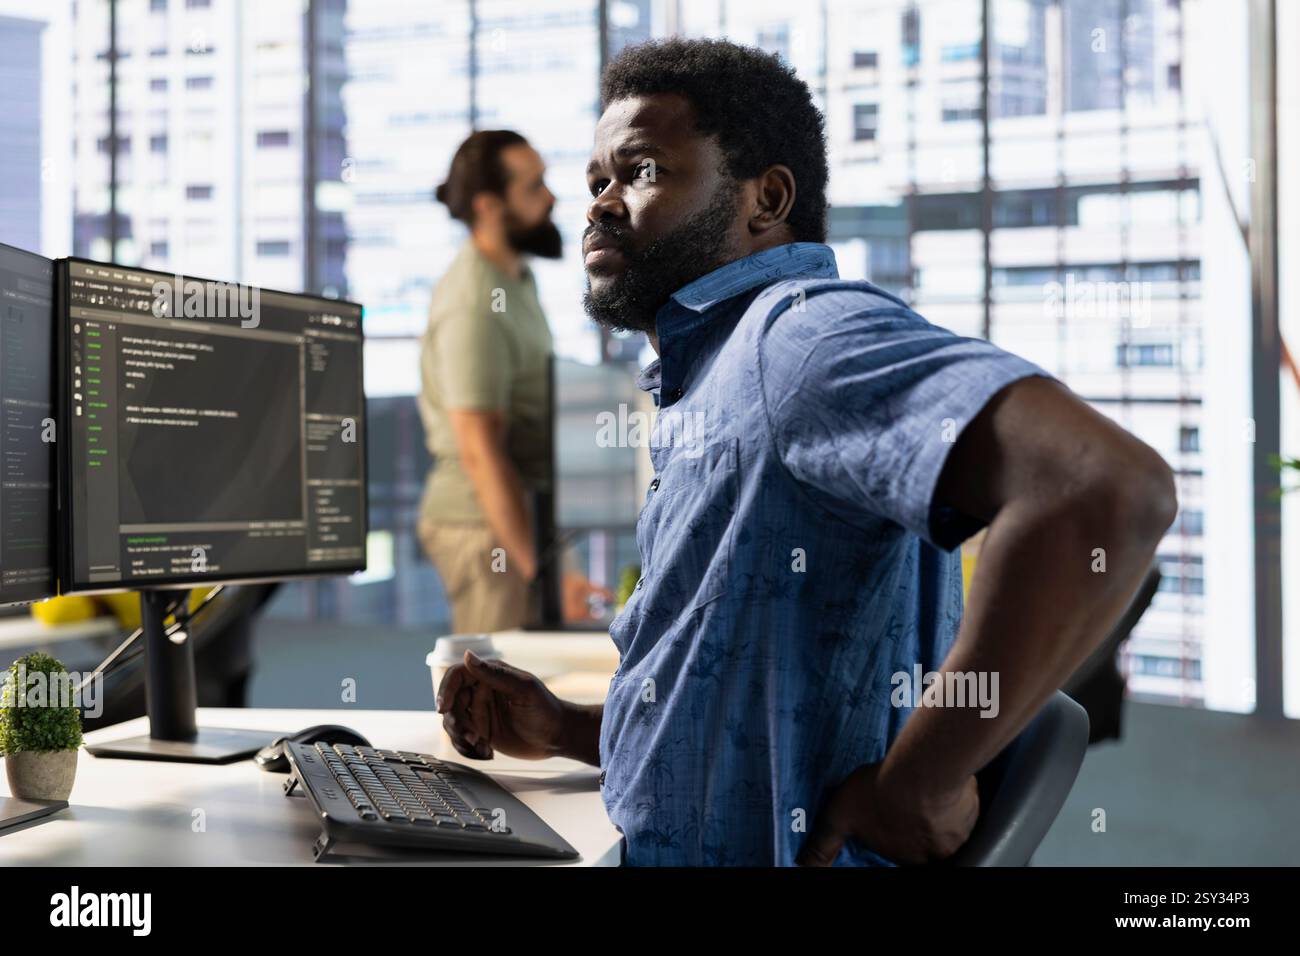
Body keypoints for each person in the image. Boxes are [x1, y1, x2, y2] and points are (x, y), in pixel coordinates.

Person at [437, 39, 1177, 866]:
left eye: (642, 171)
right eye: (596, 181)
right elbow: (752, 716)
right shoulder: (718, 373)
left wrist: (919, 786)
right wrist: (569, 729)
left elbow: (1110, 489)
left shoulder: (797, 339)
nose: (602, 204)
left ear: (767, 199)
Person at [420, 130, 609, 632]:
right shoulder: (474, 303)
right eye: (533, 187)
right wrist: (542, 572)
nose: (550, 198)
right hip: (481, 525)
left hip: (515, 515)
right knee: (493, 694)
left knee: (534, 684)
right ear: (488, 205)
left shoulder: (512, 279)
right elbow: (481, 451)